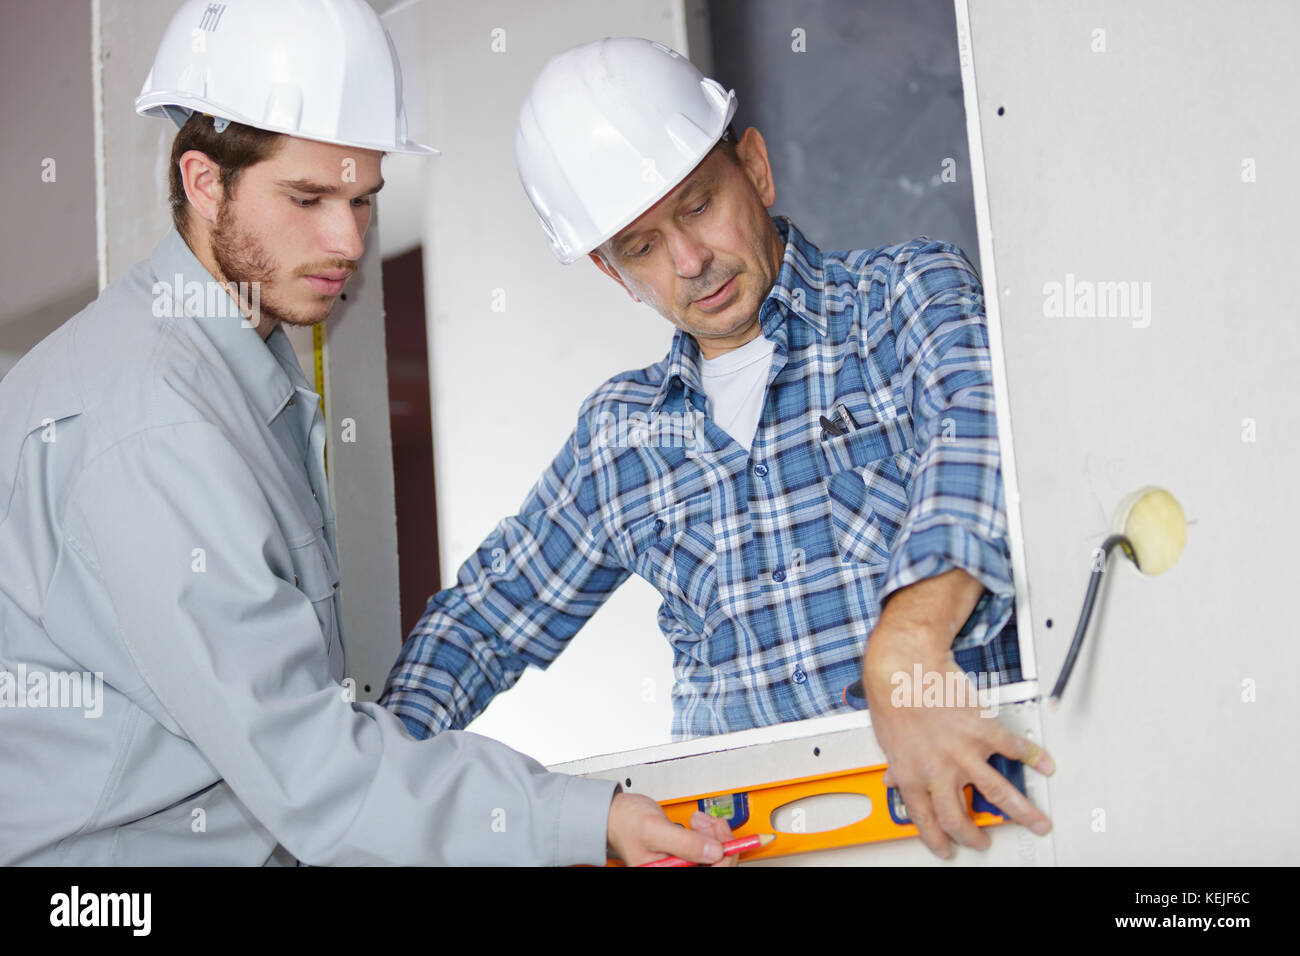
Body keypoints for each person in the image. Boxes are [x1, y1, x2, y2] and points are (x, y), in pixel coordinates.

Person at [0, 3, 730, 867]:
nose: (347, 240)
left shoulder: (217, 369)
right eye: (308, 198)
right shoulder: (154, 422)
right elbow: (311, 770)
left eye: (362, 198)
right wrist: (582, 820)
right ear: (204, 181)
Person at [382, 36, 1054, 859]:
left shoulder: (906, 298)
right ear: (613, 273)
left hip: (967, 827)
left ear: (756, 169)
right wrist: (367, 790)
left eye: (697, 205)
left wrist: (909, 636)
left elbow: (978, 436)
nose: (690, 262)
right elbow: (478, 627)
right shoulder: (621, 439)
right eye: (642, 247)